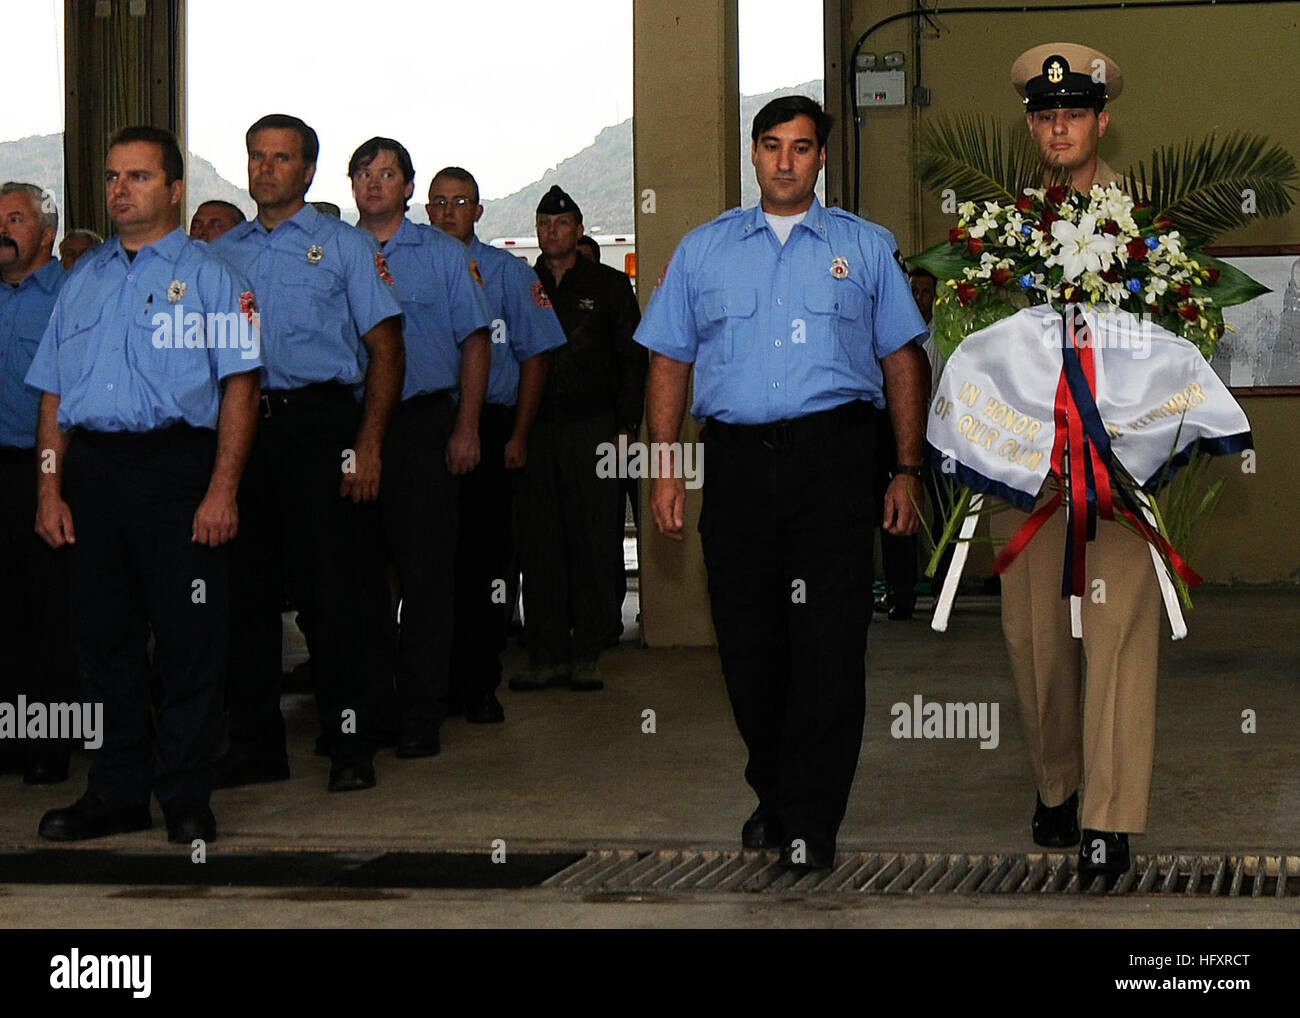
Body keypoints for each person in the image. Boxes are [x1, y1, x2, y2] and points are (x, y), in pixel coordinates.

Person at [636, 95, 929, 871]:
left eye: (802, 147)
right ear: (754, 155)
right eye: (772, 146)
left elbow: (903, 360)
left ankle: (811, 818)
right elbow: (668, 360)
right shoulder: (703, 251)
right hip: (734, 462)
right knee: (748, 644)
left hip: (834, 460)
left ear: (821, 158)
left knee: (829, 645)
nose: (786, 161)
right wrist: (665, 466)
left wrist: (906, 468)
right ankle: (774, 786)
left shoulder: (866, 249)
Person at [27, 127, 262, 842]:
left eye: (137, 176)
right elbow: (53, 397)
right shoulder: (85, 278)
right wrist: (48, 487)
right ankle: (115, 790)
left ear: (174, 187)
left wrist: (222, 490)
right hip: (94, 472)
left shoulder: (216, 277)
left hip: (177, 470)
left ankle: (185, 795)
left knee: (190, 638)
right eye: (111, 176)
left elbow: (240, 386)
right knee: (103, 642)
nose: (120, 190)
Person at [212, 114, 404, 793]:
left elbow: (385, 349)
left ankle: (349, 741)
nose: (265, 169)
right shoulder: (222, 252)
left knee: (335, 597)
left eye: (281, 159)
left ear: (308, 171)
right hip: (242, 433)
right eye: (257, 156)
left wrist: (368, 446)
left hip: (321, 428)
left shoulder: (344, 247)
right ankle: (258, 744)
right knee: (245, 596)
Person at [999, 43, 1148, 876]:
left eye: (1075, 114)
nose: (1061, 127)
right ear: (1033, 128)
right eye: (1047, 116)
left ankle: (1109, 817)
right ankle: (1057, 784)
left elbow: (1183, 344)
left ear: (1101, 122)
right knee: (1036, 639)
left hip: (1120, 468)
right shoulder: (995, 236)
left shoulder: (1145, 232)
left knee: (1120, 634)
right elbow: (967, 345)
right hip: (1025, 466)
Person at [348, 140, 491, 755]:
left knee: (427, 575)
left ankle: (420, 714)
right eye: (364, 175)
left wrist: (467, 428)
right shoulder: (331, 253)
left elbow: (476, 343)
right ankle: (368, 712)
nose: (375, 184)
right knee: (355, 579)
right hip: (348, 428)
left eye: (388, 175)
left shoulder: (440, 254)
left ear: (408, 187)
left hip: (423, 427)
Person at [427, 166, 566, 723]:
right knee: (430, 560)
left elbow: (536, 355)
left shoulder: (507, 274)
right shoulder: (403, 270)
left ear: (478, 211)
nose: (447, 211)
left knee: (487, 560)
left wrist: (519, 435)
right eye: (438, 202)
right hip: (427, 426)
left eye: (459, 201)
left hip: (490, 426)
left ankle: (479, 682)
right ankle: (428, 683)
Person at [509, 185, 645, 692]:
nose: (552, 232)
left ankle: (588, 649)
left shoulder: (608, 285)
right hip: (536, 427)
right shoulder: (524, 283)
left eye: (561, 224)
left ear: (578, 229)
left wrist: (627, 426)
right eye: (544, 224)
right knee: (540, 539)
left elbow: (634, 359)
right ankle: (545, 653)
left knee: (594, 537)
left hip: (595, 427)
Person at [0, 181, 75, 785]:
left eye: (15, 218)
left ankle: (48, 741)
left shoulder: (73, 294)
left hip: (49, 471)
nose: (3, 229)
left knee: (51, 612)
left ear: (45, 234)